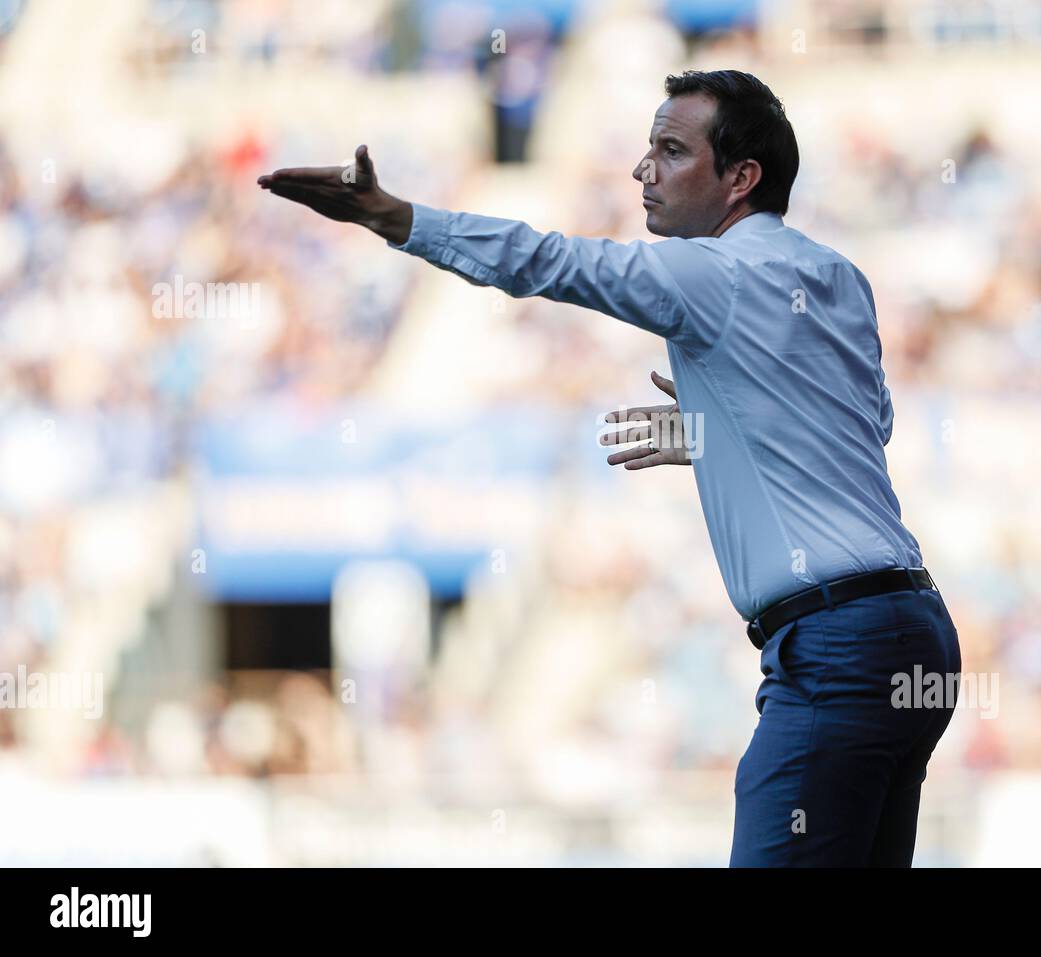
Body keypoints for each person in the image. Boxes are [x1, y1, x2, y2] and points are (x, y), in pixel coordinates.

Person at [258, 69, 962, 867]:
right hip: (914, 634)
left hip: (833, 644)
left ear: (741, 178)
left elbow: (549, 261)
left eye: (669, 149)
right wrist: (721, 427)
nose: (642, 170)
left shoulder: (708, 272)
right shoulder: (839, 276)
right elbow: (866, 428)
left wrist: (395, 218)